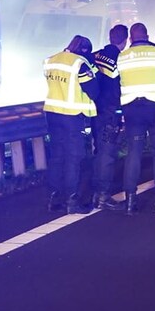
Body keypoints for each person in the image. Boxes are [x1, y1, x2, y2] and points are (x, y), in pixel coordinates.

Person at [117, 23, 155, 217]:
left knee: (133, 154)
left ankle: (130, 202)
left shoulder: (122, 56)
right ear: (147, 35)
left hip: (131, 111)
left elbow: (113, 82)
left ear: (130, 37)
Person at [43, 35, 100, 214]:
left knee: (57, 156)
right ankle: (72, 200)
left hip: (52, 113)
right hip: (71, 116)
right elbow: (93, 90)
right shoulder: (79, 64)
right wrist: (94, 70)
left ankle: (54, 198)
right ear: (84, 49)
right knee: (74, 157)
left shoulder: (50, 60)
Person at [90, 24, 128, 211]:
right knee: (107, 154)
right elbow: (119, 90)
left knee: (98, 152)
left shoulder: (95, 56)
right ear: (125, 40)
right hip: (110, 113)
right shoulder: (121, 60)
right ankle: (103, 197)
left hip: (93, 112)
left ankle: (96, 193)